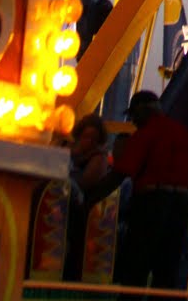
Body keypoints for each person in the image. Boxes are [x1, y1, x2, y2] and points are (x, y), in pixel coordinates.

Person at [107, 90, 188, 287]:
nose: (132, 121)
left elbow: (120, 173)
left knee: (136, 267)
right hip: (180, 207)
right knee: (167, 269)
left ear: (143, 112)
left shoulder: (145, 134)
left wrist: (90, 198)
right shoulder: (183, 133)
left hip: (151, 205)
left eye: (133, 116)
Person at [64, 116, 112, 279]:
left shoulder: (98, 158)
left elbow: (86, 181)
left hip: (84, 209)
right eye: (86, 137)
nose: (89, 142)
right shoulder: (71, 152)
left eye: (93, 138)